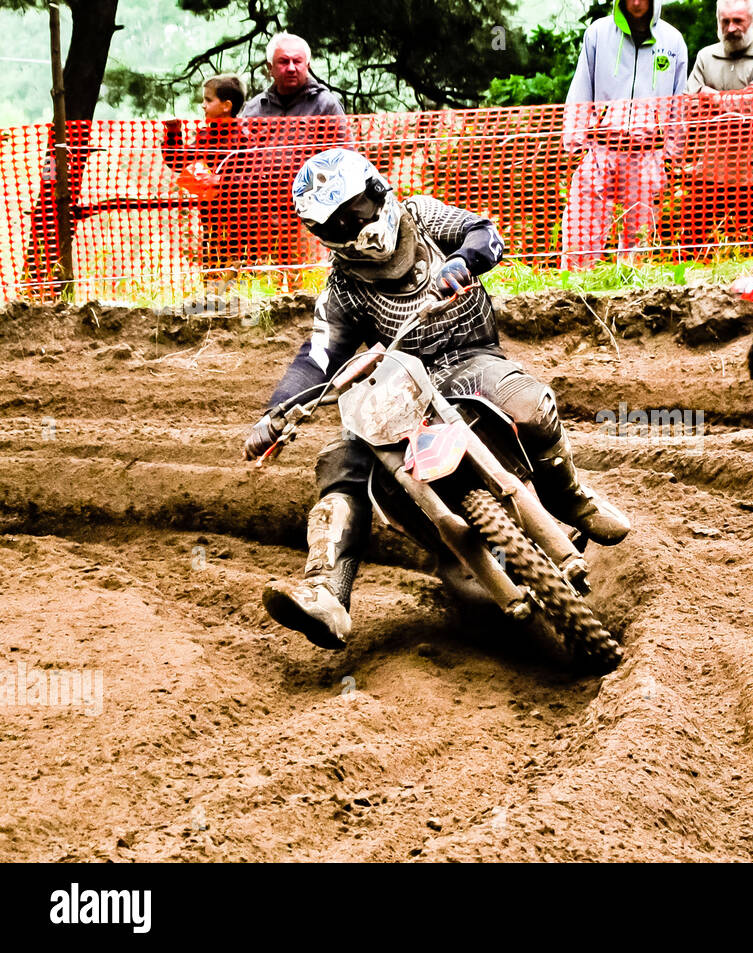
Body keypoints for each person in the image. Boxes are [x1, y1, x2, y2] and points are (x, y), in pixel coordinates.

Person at [242, 149, 630, 649]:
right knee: (341, 463)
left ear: (378, 193)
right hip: (399, 378)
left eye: (357, 211)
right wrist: (276, 414)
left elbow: (484, 233)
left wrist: (463, 262)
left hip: (469, 359)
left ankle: (571, 498)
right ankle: (326, 590)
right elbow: (316, 358)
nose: (353, 228)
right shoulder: (342, 286)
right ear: (322, 235)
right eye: (337, 224)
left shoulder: (421, 217)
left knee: (531, 404)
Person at [560, 0, 689, 269]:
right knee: (579, 242)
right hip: (600, 150)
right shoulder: (598, 33)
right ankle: (574, 294)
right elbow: (582, 86)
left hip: (647, 156)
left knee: (638, 253)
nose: (637, 2)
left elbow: (679, 102)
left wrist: (674, 155)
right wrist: (573, 142)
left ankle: (634, 302)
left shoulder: (673, 41)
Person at [682, 0, 753, 254]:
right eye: (725, 21)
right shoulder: (706, 56)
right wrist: (739, 101)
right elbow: (689, 105)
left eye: (738, 21)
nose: (731, 28)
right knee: (690, 249)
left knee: (748, 251)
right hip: (708, 172)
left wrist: (712, 97)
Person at [242, 34, 349, 278]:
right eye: (283, 61)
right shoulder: (254, 108)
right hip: (262, 213)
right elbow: (241, 160)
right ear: (270, 68)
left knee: (308, 280)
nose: (291, 68)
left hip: (312, 214)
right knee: (265, 284)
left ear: (307, 65)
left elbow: (345, 157)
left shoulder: (327, 105)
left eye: (297, 61)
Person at [161, 74, 252, 289]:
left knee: (237, 267)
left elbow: (251, 176)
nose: (203, 105)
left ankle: (234, 298)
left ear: (226, 106)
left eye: (208, 100)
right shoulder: (205, 137)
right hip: (210, 220)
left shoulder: (244, 137)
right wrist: (174, 135)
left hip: (240, 222)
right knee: (212, 268)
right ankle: (211, 303)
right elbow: (178, 162)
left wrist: (221, 182)